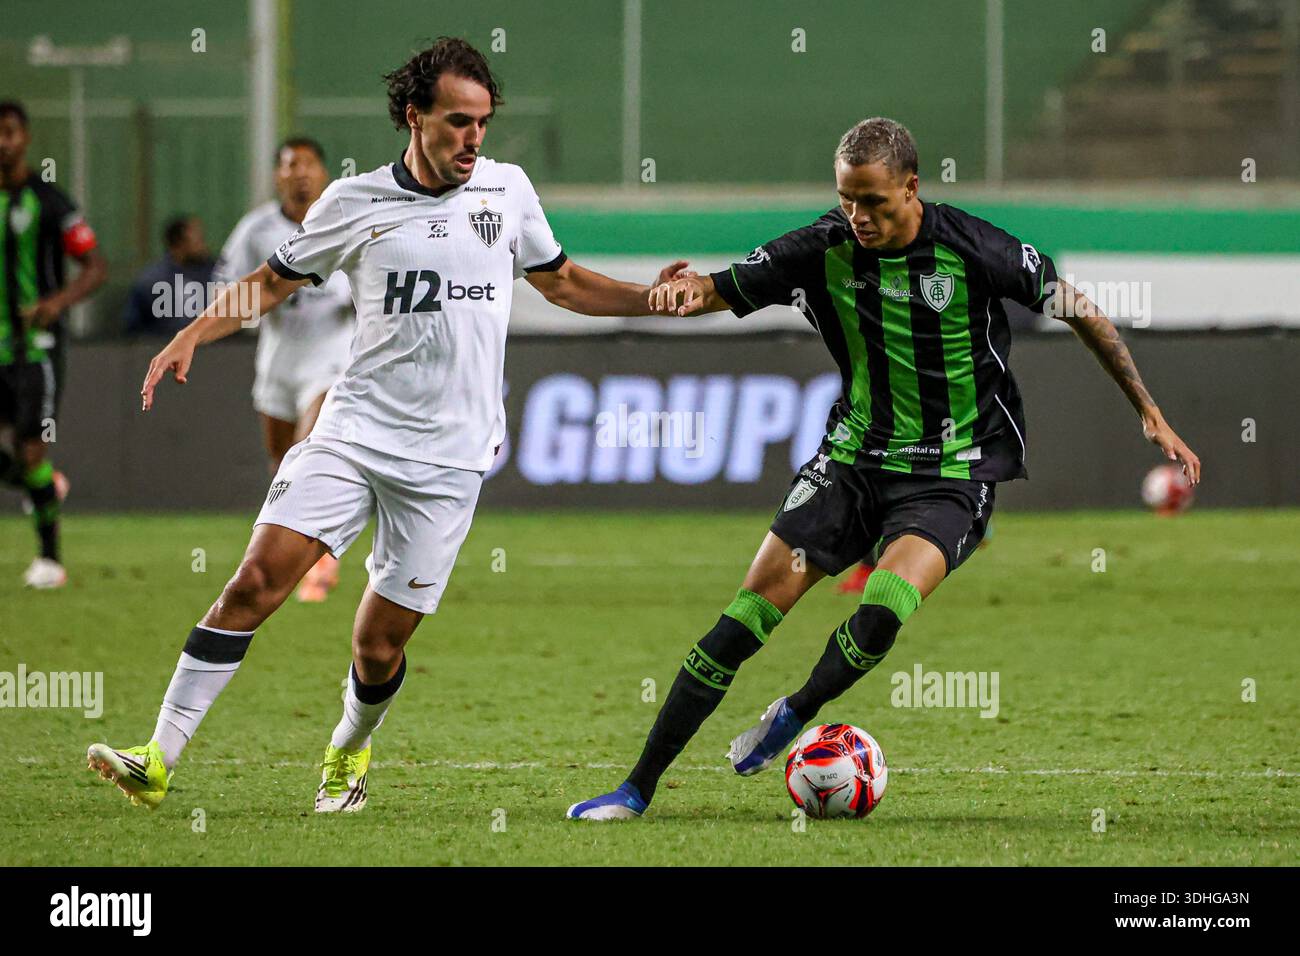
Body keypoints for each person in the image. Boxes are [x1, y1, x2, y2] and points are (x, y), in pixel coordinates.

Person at [85, 37, 691, 814]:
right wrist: (191, 334)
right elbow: (271, 283)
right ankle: (157, 757)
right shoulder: (352, 203)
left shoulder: (506, 194)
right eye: (457, 122)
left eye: (483, 123)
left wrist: (652, 297)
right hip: (354, 433)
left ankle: (347, 749)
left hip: (448, 461)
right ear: (415, 117)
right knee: (253, 584)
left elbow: (564, 283)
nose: (474, 139)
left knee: (377, 645)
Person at [567, 116, 1202, 820]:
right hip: (851, 463)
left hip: (953, 474)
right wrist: (679, 293)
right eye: (847, 199)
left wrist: (1148, 409)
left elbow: (1079, 309)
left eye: (873, 201)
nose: (858, 217)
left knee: (884, 606)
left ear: (911, 186)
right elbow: (719, 289)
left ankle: (796, 710)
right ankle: (636, 788)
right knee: (740, 622)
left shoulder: (975, 248)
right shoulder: (821, 248)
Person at [213, 137, 354, 602]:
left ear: (324, 173)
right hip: (277, 360)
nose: (301, 173)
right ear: (278, 175)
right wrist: (261, 299)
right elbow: (225, 288)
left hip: (330, 360)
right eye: (291, 165)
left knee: (307, 455)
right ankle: (295, 553)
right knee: (282, 469)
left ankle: (320, 563)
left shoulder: (345, 222)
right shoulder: (257, 229)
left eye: (310, 164)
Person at [0, 100, 107, 589]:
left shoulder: (50, 202)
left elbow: (95, 266)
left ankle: (50, 560)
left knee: (29, 451)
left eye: (10, 133)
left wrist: (55, 302)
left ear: (25, 139)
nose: (3, 142)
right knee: (30, 467)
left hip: (34, 349)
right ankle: (43, 488)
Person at [122, 215, 214, 338]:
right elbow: (133, 326)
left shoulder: (214, 274)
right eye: (199, 241)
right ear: (179, 243)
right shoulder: (151, 280)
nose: (204, 246)